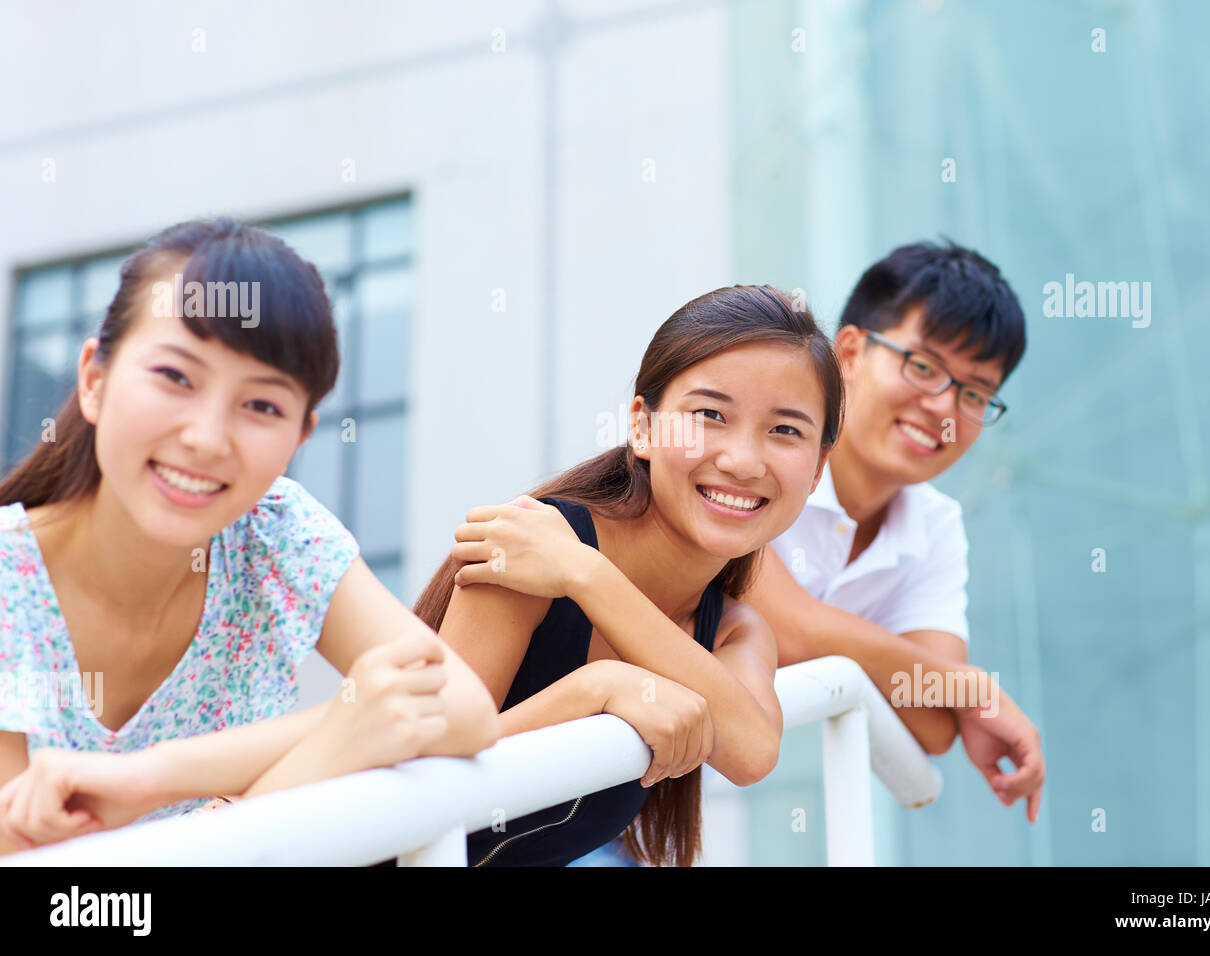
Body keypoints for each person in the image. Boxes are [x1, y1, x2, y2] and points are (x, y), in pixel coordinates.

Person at [0, 219, 499, 854]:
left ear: (300, 436)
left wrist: (152, 776)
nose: (207, 438)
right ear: (94, 380)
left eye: (261, 406)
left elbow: (463, 709)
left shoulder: (275, 535)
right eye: (176, 377)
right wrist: (332, 740)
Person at [412, 285, 844, 866]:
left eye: (785, 430)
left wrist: (588, 576)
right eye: (710, 414)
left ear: (817, 469)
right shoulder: (527, 550)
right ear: (642, 426)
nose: (743, 460)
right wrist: (594, 690)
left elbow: (752, 750)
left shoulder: (733, 629)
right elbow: (419, 783)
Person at [744, 241, 1047, 822]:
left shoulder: (934, 526)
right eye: (925, 367)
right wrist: (971, 688)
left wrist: (950, 690)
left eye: (976, 393)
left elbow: (931, 726)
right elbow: (792, 631)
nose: (944, 407)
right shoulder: (763, 443)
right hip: (547, 734)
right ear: (850, 353)